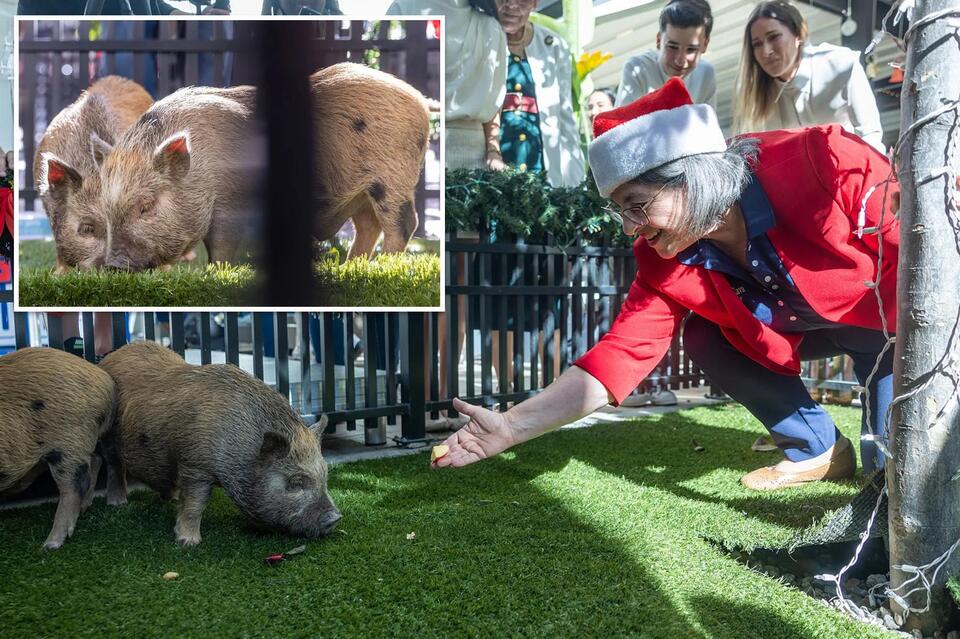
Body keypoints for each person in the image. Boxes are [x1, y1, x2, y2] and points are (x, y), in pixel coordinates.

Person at [434, 77, 901, 491]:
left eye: (636, 205)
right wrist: (512, 426)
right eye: (619, 211)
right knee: (705, 335)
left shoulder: (823, 160)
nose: (628, 228)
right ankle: (818, 449)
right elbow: (619, 355)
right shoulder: (661, 257)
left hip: (886, 330)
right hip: (797, 329)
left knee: (894, 477)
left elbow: (922, 255)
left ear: (691, 177)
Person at [733, 0, 884, 154]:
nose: (766, 51)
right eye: (757, 44)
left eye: (774, 37)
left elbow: (870, 136)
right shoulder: (754, 96)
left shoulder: (841, 64)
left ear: (798, 34)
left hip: (850, 164)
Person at [484, 0, 586, 188]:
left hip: (541, 169)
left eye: (522, 0)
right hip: (492, 169)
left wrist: (577, 182)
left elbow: (565, 119)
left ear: (535, 3)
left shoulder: (554, 45)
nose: (511, 6)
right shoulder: (480, 38)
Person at [616, 0, 716, 109]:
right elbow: (623, 120)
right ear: (659, 40)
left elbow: (708, 120)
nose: (680, 61)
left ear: (705, 45)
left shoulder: (706, 74)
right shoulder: (637, 69)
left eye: (691, 49)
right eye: (672, 47)